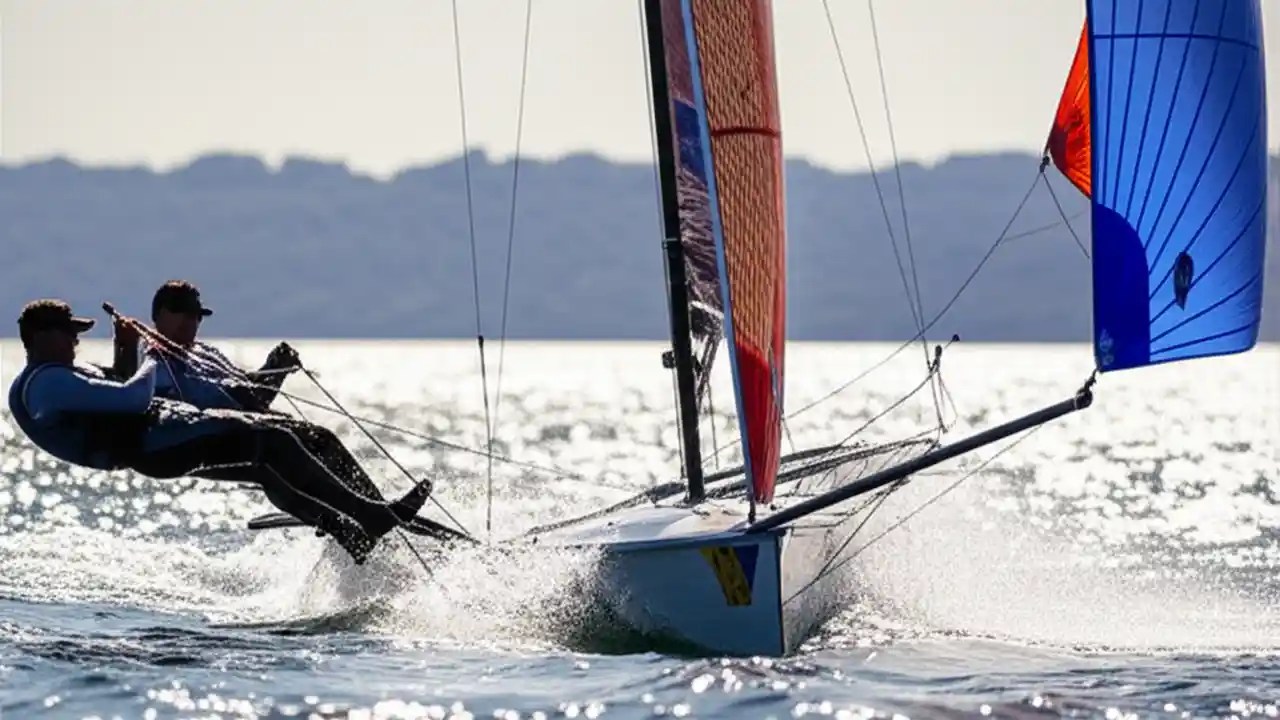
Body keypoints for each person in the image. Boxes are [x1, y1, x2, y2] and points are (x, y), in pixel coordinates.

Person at [8, 299, 432, 563]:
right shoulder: (48, 383)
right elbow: (133, 398)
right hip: (158, 442)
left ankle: (351, 526)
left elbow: (119, 383)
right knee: (276, 442)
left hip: (162, 439)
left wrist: (126, 344)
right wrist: (153, 357)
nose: (76, 342)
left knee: (267, 463)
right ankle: (371, 514)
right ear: (42, 337)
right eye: (70, 334)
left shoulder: (58, 373)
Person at [114, 280, 295, 413]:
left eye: (195, 315)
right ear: (158, 314)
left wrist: (274, 367)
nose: (189, 321)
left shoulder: (206, 354)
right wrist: (124, 345)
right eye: (179, 311)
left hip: (231, 408)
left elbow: (244, 383)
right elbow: (127, 390)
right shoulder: (150, 358)